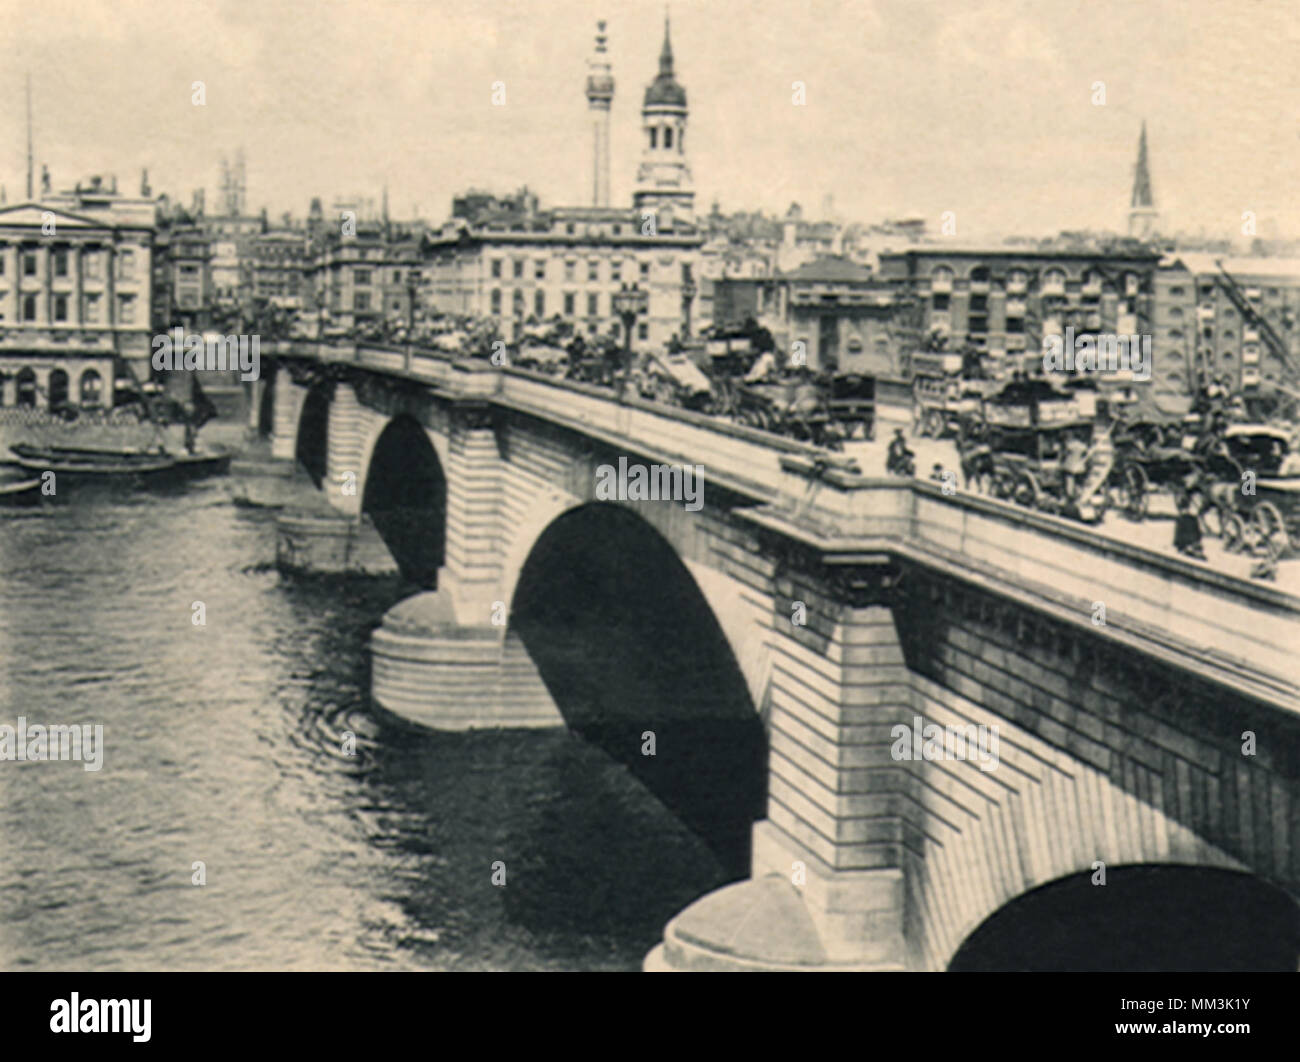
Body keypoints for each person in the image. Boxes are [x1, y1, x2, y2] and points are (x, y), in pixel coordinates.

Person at [1061, 430, 1089, 500]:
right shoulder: (1083, 446)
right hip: (1079, 465)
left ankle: (1070, 495)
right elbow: (1085, 455)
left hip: (1070, 464)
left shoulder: (1070, 445)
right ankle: (1079, 495)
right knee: (1078, 482)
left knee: (1069, 480)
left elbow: (1065, 454)